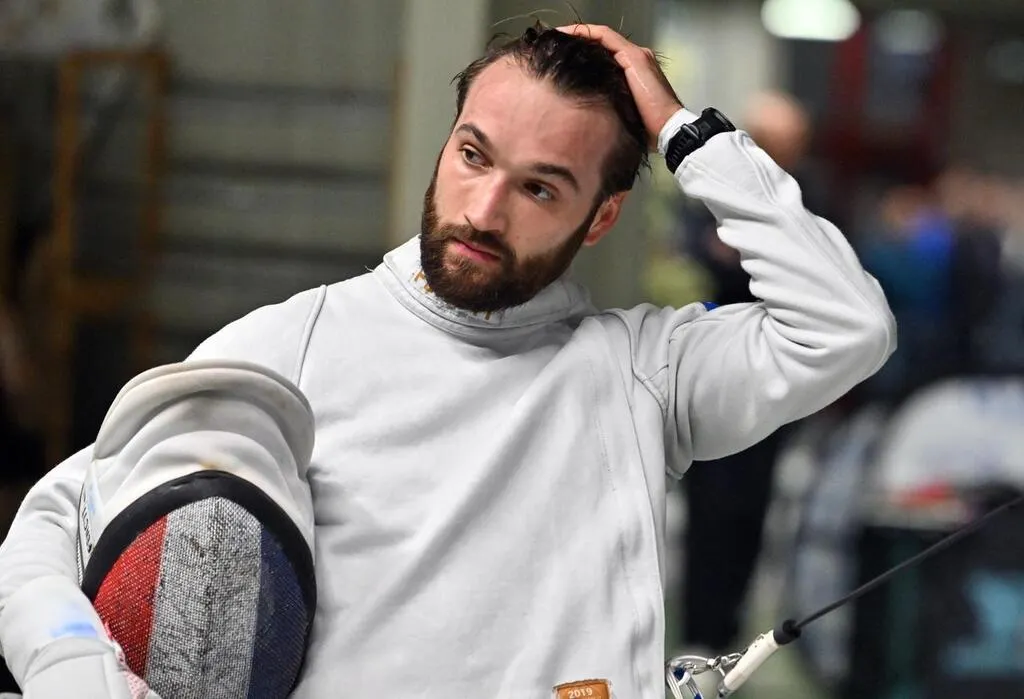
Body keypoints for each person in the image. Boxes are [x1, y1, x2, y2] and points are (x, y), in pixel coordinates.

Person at [0, 23, 895, 699]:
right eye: (473, 156)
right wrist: (74, 666)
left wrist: (685, 133)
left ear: (602, 217)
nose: (484, 209)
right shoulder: (294, 343)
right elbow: (52, 520)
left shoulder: (644, 374)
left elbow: (844, 326)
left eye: (539, 186)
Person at [674, 90, 836, 656]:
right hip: (721, 370)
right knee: (710, 512)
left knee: (751, 513)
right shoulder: (718, 192)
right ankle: (700, 635)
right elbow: (705, 258)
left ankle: (729, 636)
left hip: (779, 378)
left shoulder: (806, 200)